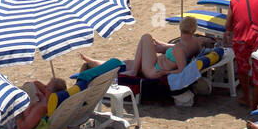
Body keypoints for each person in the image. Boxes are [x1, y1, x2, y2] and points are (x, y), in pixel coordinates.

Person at [80, 17, 211, 79]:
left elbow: (182, 69)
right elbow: (175, 49)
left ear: (180, 28)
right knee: (121, 63)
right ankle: (95, 64)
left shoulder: (179, 48)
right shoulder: (195, 42)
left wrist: (167, 73)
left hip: (154, 71)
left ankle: (133, 72)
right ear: (193, 30)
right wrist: (162, 46)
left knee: (146, 37)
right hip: (155, 65)